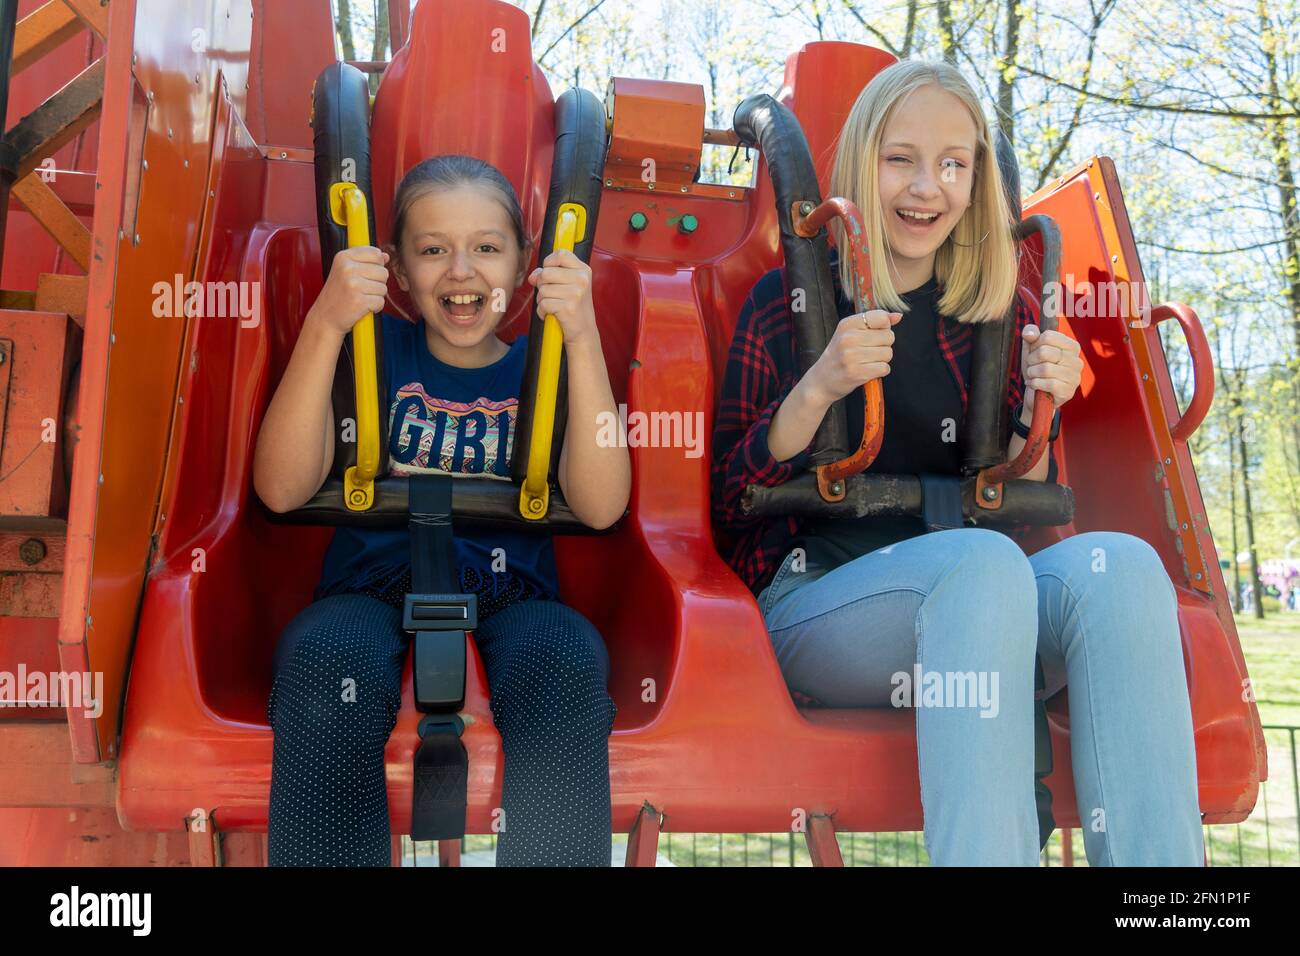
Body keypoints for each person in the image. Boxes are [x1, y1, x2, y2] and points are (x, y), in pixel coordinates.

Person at [710, 61, 1203, 865]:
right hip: (820, 599)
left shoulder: (999, 310)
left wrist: (1038, 412)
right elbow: (729, 503)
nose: (926, 186)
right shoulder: (790, 302)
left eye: (953, 163)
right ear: (862, 165)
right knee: (979, 566)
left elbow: (1017, 494)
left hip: (982, 597)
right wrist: (820, 386)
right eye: (900, 158)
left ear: (977, 180)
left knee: (1126, 569)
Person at [254, 155, 631, 866]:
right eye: (433, 250)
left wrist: (581, 337)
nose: (462, 271)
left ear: (525, 265)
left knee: (567, 659)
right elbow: (279, 489)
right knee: (324, 663)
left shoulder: (543, 366)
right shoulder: (371, 350)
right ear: (397, 269)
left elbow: (603, 505)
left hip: (509, 593)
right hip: (370, 587)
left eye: (488, 248)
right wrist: (326, 323)